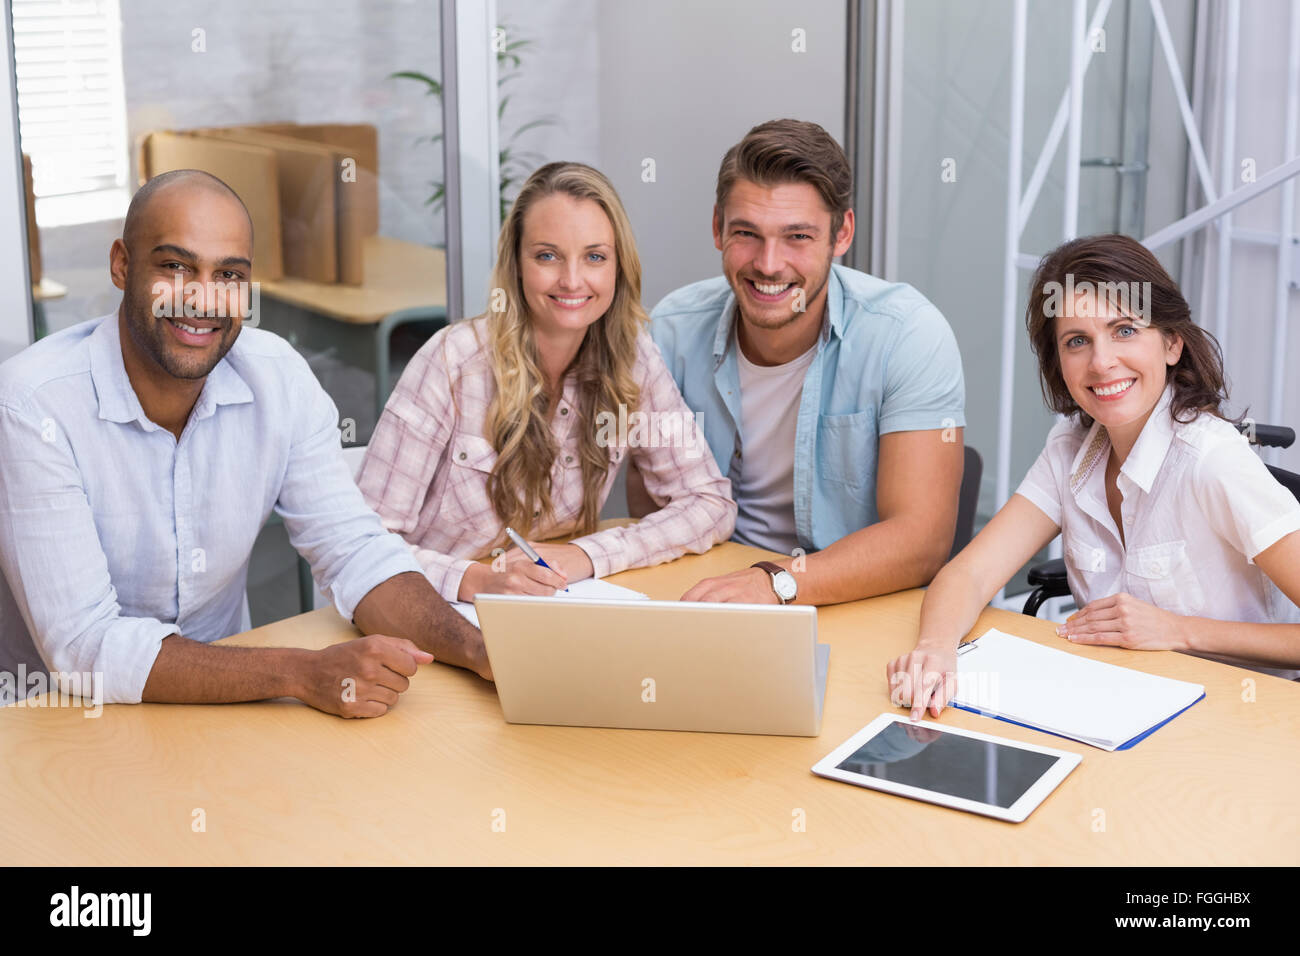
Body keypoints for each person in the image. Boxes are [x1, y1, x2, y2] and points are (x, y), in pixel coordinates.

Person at [0, 170, 489, 716]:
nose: (203, 299)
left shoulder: (278, 377)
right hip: (55, 723)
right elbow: (85, 645)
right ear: (121, 264)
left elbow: (355, 551)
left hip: (228, 706)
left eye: (228, 274)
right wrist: (301, 673)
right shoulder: (32, 406)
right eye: (175, 266)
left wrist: (479, 651)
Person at [888, 234, 1300, 719]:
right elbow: (970, 573)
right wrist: (936, 648)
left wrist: (1179, 630)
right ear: (1057, 363)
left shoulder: (1213, 462)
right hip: (1115, 709)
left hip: (1239, 723)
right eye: (1077, 341)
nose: (1102, 362)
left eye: (1124, 330)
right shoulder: (1070, 448)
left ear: (1172, 343)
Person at [357, 162, 735, 601]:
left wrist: (586, 555)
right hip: (437, 613)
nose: (572, 280)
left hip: (552, 608)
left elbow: (710, 503)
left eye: (594, 256)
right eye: (547, 256)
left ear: (618, 266)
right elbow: (364, 544)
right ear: (516, 264)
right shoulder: (453, 361)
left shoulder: (632, 357)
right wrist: (479, 582)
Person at [631, 118, 967, 606]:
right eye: (747, 232)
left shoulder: (908, 336)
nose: (769, 264)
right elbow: (651, 503)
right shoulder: (673, 330)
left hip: (854, 602)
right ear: (717, 229)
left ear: (842, 233)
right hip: (707, 596)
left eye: (797, 237)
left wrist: (774, 582)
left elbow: (922, 540)